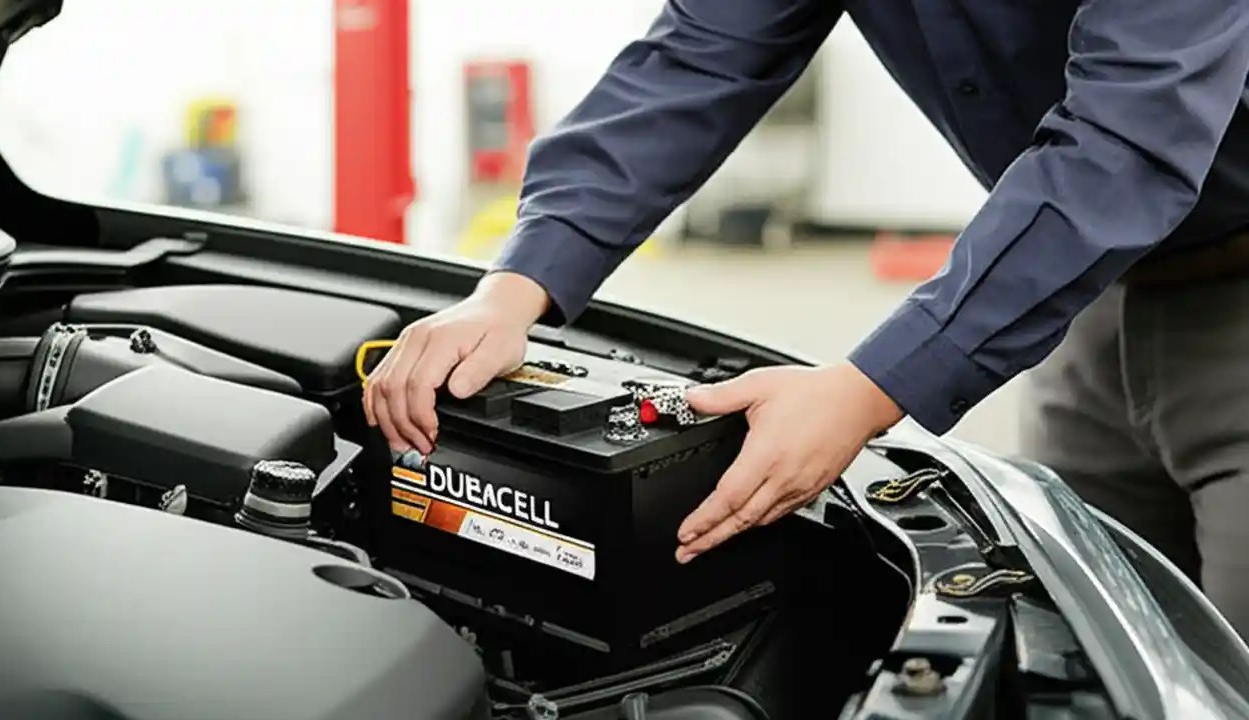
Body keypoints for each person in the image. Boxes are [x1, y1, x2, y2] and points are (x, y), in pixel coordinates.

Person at [364, 2, 1249, 633]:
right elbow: (700, 54)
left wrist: (870, 389)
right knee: (1091, 651)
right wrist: (516, 288)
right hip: (1086, 296)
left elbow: (1129, 138)